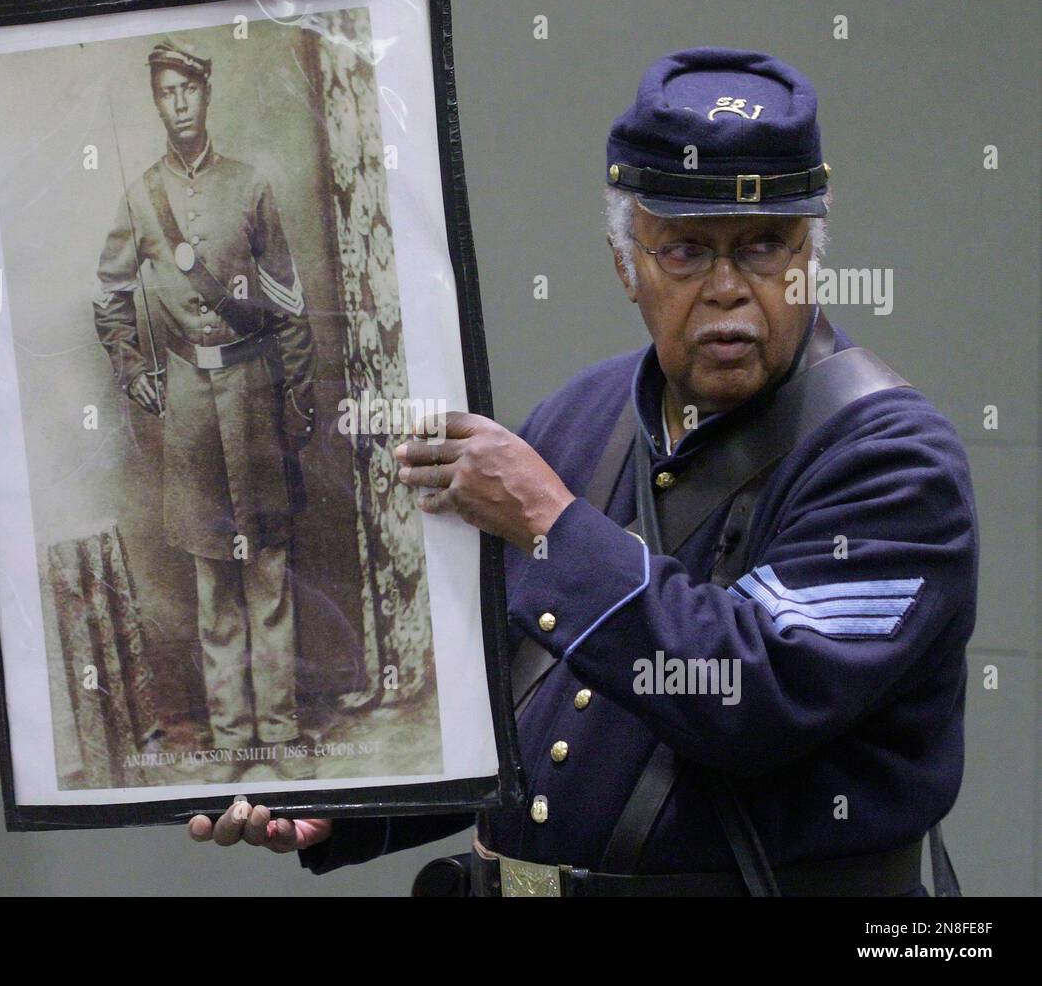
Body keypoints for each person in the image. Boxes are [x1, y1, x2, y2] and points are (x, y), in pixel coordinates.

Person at [189, 47, 978, 894]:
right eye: (683, 251)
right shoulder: (582, 417)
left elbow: (754, 695)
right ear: (622, 261)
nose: (726, 288)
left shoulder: (894, 461)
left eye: (762, 246)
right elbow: (508, 690)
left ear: (810, 257)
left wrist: (549, 525)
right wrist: (351, 798)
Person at [94, 35, 317, 782]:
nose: (178, 103)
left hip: (255, 398)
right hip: (190, 404)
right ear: (156, 101)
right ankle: (231, 743)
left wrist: (299, 397)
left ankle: (280, 736)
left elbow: (288, 301)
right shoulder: (141, 197)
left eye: (187, 88)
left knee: (268, 569)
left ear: (206, 94)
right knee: (211, 577)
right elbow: (110, 294)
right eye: (165, 92)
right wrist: (133, 369)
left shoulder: (250, 186)